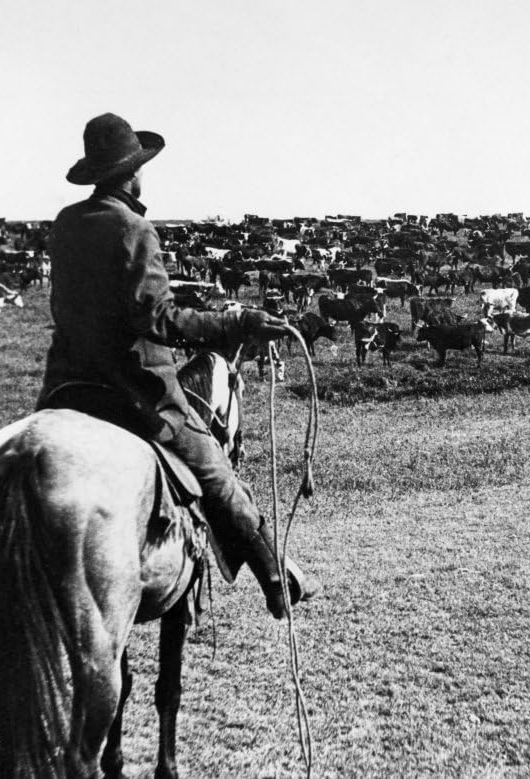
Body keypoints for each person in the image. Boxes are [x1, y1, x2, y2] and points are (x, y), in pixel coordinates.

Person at [37, 112, 320, 618]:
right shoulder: (135, 228)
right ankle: (275, 574)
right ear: (134, 172)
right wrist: (234, 323)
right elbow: (157, 319)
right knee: (213, 469)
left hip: (65, 387)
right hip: (132, 389)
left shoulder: (65, 224)